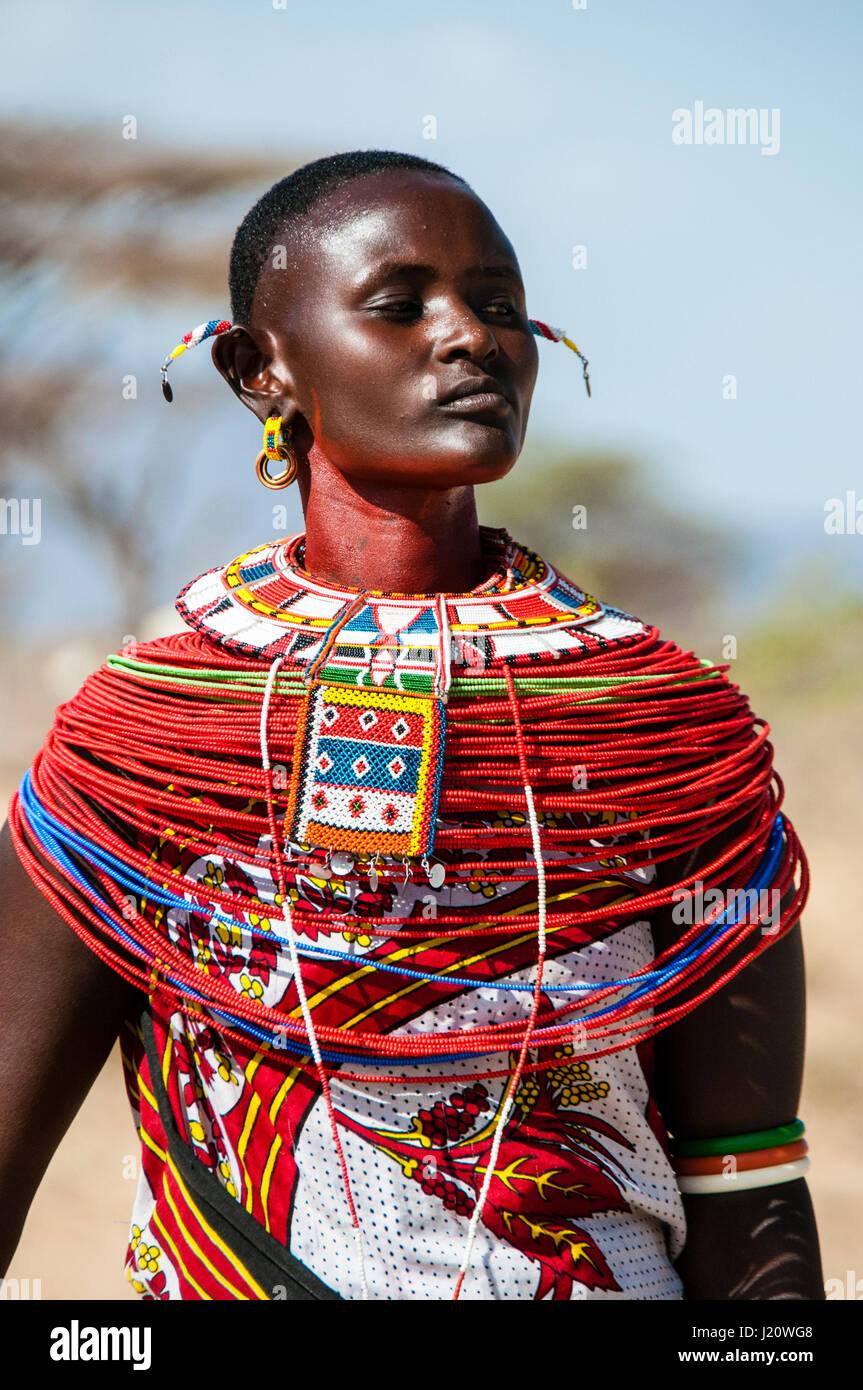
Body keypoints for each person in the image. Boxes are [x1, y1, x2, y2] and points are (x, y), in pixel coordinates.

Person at [0, 149, 824, 1301]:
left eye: (498, 307)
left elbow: (747, 1197)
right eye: (400, 306)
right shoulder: (143, 744)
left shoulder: (660, 736)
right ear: (259, 369)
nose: (470, 337)